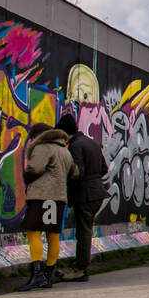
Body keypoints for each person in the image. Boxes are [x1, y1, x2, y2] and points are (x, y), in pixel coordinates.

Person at [18, 122, 78, 291]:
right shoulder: (64, 150)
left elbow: (34, 169)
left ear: (36, 137)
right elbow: (75, 172)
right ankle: (48, 275)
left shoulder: (42, 147)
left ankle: (36, 275)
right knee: (52, 235)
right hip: (57, 198)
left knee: (33, 232)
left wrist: (27, 177)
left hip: (41, 196)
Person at [56, 111, 108, 282]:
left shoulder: (75, 146)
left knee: (83, 231)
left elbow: (77, 172)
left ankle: (81, 267)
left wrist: (69, 195)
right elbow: (104, 169)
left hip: (86, 194)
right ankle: (81, 263)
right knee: (86, 229)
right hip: (97, 192)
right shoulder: (92, 143)